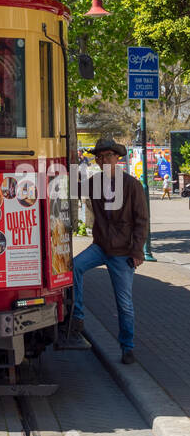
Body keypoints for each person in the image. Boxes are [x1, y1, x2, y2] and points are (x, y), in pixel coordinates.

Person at [71, 138, 149, 364]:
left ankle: (127, 347)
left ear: (118, 158)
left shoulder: (132, 185)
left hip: (124, 252)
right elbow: (71, 189)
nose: (104, 160)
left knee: (124, 303)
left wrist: (137, 252)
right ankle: (77, 317)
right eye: (100, 157)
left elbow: (141, 221)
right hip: (100, 247)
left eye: (108, 156)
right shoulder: (95, 182)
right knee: (74, 267)